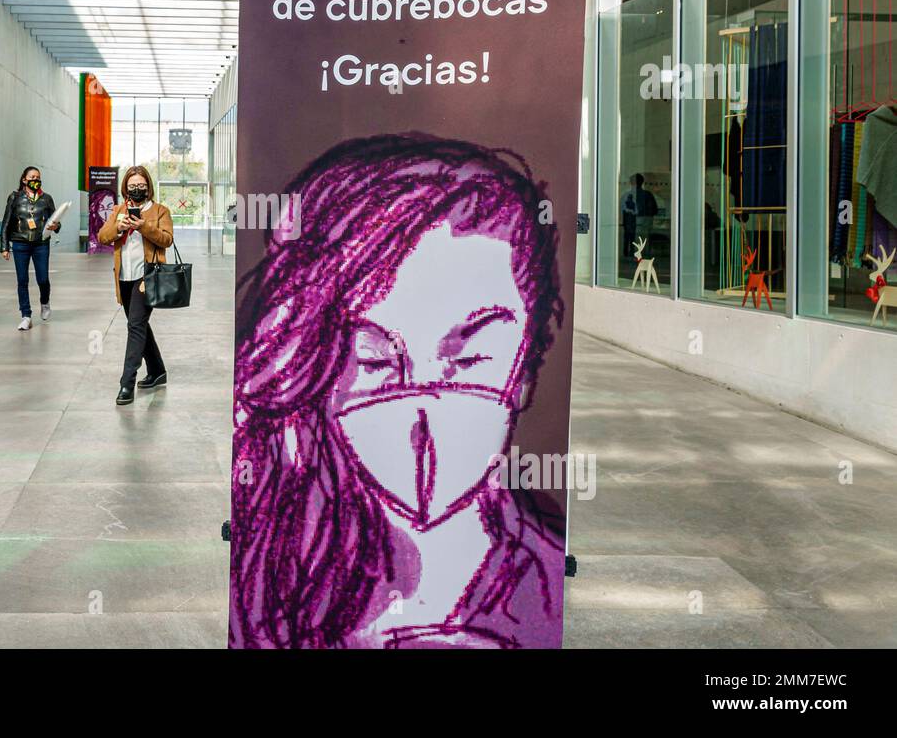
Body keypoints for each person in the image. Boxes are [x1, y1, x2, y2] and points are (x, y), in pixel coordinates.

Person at [230, 133, 565, 649]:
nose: (423, 409)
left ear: (527, 366)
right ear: (316, 366)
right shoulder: (262, 567)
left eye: (472, 358)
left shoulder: (546, 576)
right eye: (376, 360)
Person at [98, 166, 174, 405]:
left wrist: (143, 226)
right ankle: (157, 370)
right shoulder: (119, 210)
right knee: (139, 325)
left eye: (141, 185)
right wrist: (118, 227)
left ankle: (126, 383)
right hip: (124, 277)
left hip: (147, 276)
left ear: (148, 186)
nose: (137, 189)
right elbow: (102, 237)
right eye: (132, 185)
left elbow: (166, 240)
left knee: (135, 326)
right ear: (125, 188)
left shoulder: (160, 210)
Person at [0, 166, 61, 330]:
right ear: (24, 180)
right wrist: (4, 246)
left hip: (41, 243)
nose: (35, 180)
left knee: (43, 279)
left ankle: (45, 302)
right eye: (32, 177)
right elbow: (6, 222)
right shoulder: (15, 197)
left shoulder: (46, 198)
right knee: (22, 280)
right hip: (20, 243)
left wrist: (56, 226)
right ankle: (26, 315)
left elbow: (56, 220)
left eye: (38, 177)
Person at [622, 173, 658, 254]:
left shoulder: (627, 195)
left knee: (633, 243)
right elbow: (654, 210)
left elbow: (623, 211)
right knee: (644, 244)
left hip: (632, 222)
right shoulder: (648, 195)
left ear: (631, 183)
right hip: (646, 222)